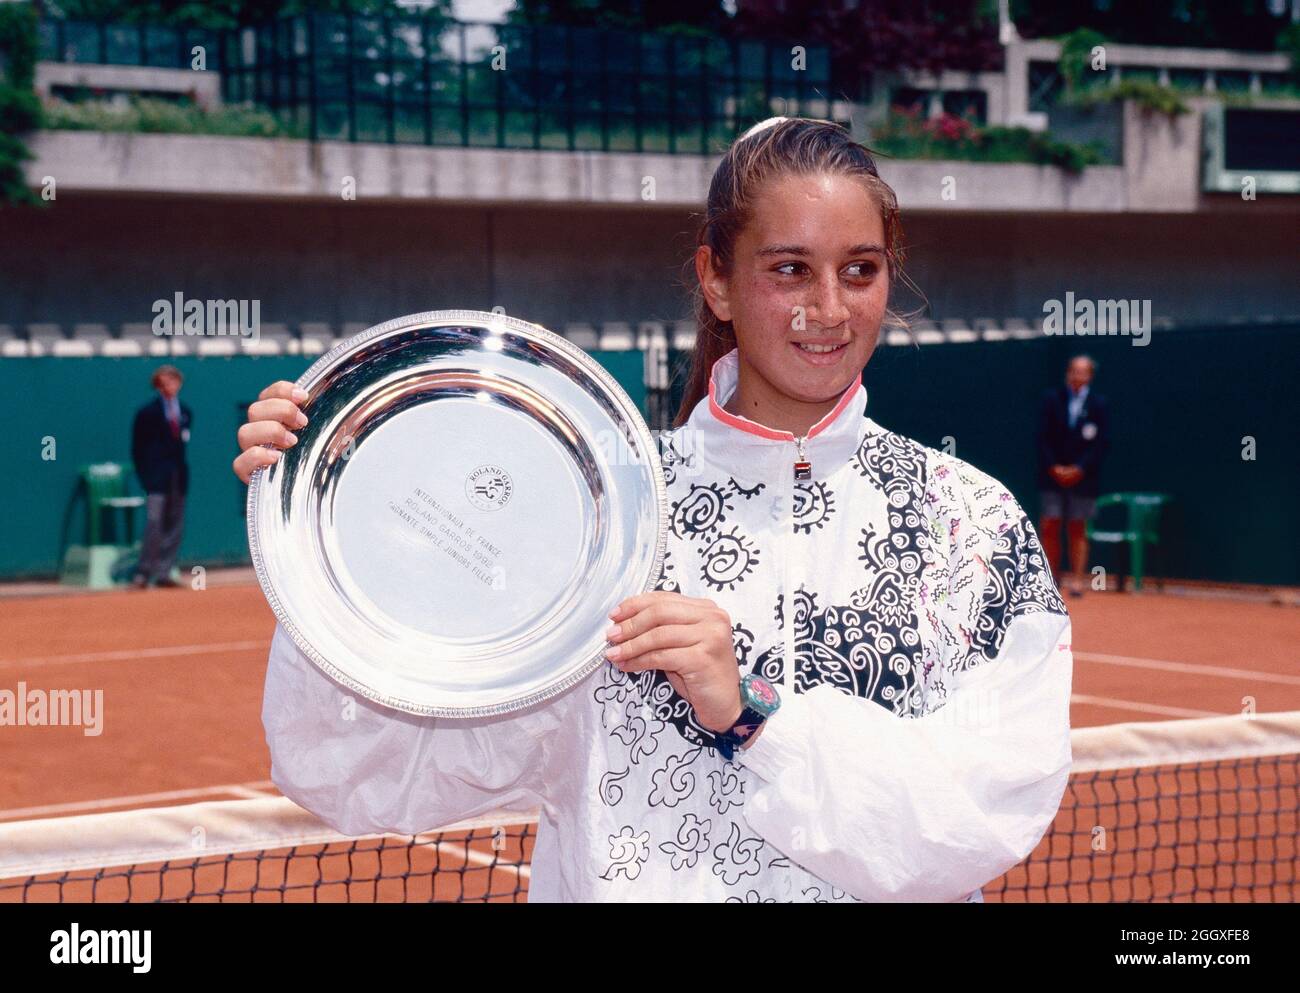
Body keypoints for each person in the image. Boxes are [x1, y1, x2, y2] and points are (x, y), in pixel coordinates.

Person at [233, 117, 1074, 902]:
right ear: (716, 279)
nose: (829, 307)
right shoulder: (598, 518)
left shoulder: (970, 521)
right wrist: (330, 536)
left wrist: (754, 713)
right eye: (789, 269)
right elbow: (359, 777)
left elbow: (984, 813)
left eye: (860, 269)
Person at [1036, 355, 1109, 597]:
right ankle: (1051, 579)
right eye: (1074, 371)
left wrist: (1079, 468)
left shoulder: (1099, 404)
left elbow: (1100, 443)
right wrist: (1054, 467)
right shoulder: (1051, 399)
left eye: (1083, 372)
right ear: (1068, 373)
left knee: (1078, 528)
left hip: (1083, 477)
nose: (1078, 376)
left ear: (1090, 376)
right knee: (1049, 525)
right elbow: (1042, 437)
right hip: (1052, 474)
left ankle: (1077, 581)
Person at [131, 364, 192, 589]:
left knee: (175, 524)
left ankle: (164, 572)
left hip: (178, 477)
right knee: (154, 523)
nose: (169, 386)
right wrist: (146, 477)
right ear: (157, 386)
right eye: (164, 383)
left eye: (173, 381)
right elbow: (138, 449)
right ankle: (143, 572)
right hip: (155, 479)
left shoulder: (185, 411)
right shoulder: (146, 413)